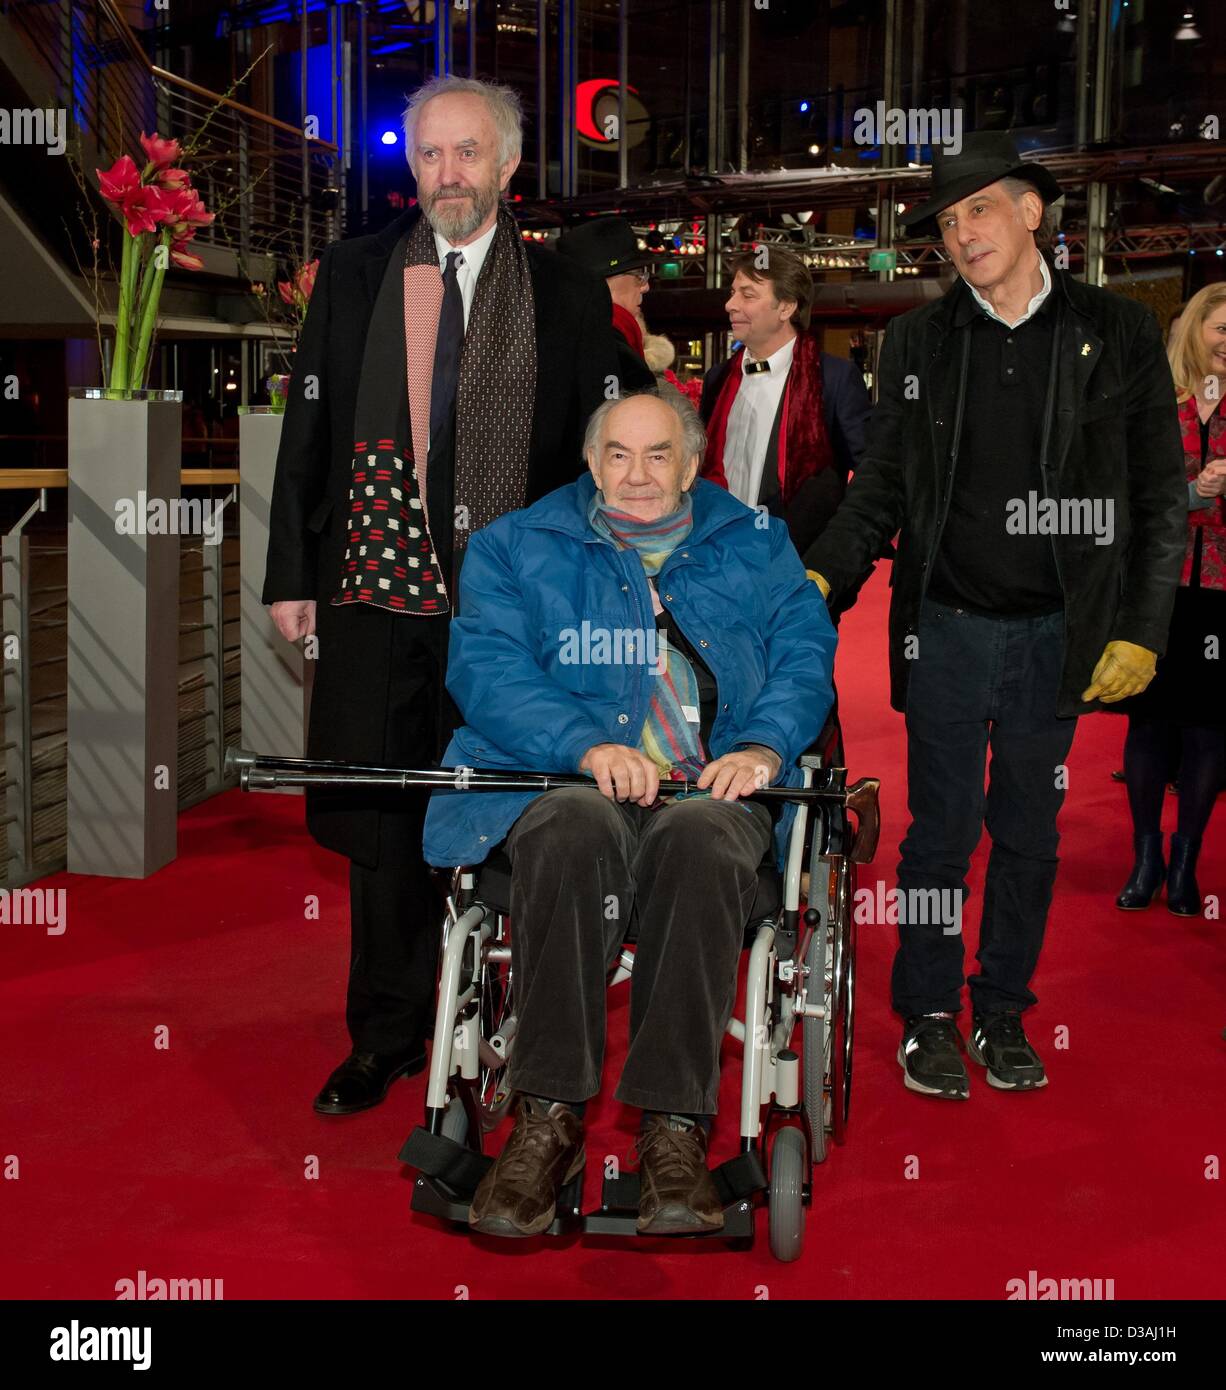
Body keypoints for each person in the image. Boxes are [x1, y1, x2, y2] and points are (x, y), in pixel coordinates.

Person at [261, 75, 619, 1117]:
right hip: (378, 595)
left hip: (512, 610)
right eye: (428, 156)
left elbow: (593, 462)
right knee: (382, 816)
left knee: (510, 807)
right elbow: (308, 434)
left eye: (467, 154)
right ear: (409, 166)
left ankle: (503, 1007)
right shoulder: (358, 274)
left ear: (508, 167)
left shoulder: (564, 296)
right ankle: (382, 1032)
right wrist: (293, 573)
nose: (446, 175)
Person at [807, 131, 1187, 1100]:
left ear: (1030, 212)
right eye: (944, 220)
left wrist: (1142, 628)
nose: (959, 232)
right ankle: (928, 1013)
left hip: (1059, 632)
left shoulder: (1116, 333)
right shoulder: (918, 343)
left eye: (977, 209)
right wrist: (822, 579)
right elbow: (881, 482)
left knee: (1029, 831)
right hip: (945, 625)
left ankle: (1003, 1009)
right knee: (938, 832)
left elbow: (1156, 497)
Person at [422, 390, 835, 1237]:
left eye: (658, 456)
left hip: (712, 787)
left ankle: (674, 1129)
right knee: (572, 831)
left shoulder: (756, 544)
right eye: (618, 455)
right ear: (590, 461)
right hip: (561, 782)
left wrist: (760, 746)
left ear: (692, 465)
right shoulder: (513, 546)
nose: (637, 475)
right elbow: (487, 668)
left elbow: (804, 655)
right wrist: (582, 745)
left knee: (697, 841)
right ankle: (547, 1119)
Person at [1113, 283, 1226, 916]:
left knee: (1210, 728)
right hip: (1157, 588)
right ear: (1195, 332)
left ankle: (1186, 860)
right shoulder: (1155, 402)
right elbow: (1127, 496)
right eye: (1221, 329)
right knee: (1149, 722)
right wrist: (1194, 493)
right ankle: (1147, 855)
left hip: (1222, 593)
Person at [698, 244, 874, 595]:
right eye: (732, 293)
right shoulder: (718, 379)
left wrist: (831, 560)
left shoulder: (833, 378)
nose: (730, 305)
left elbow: (872, 475)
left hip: (798, 572)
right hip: (719, 564)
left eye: (747, 295)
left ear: (786, 306)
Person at [556, 215, 657, 392]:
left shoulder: (556, 339)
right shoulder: (611, 347)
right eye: (639, 276)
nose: (645, 287)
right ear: (604, 283)